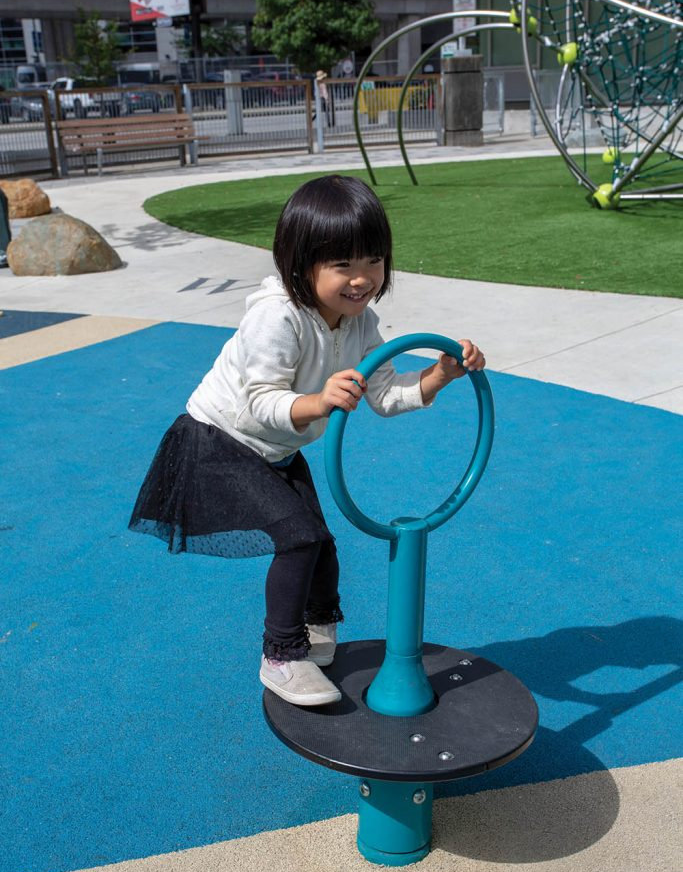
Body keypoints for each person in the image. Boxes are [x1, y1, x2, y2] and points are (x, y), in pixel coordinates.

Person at [128, 175, 485, 707]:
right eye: (344, 266)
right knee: (296, 537)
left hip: (276, 446)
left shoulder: (361, 322)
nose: (362, 280)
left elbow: (385, 397)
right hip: (219, 438)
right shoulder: (277, 317)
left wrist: (439, 376)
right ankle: (281, 655)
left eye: (373, 262)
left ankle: (317, 630)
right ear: (302, 264)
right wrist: (319, 400)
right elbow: (260, 401)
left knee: (320, 539)